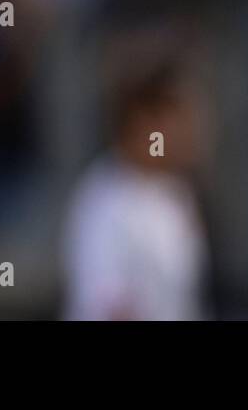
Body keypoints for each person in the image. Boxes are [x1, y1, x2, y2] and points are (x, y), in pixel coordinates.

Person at [62, 55, 208, 320]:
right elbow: (110, 309)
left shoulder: (177, 193)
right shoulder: (104, 200)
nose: (189, 129)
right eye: (177, 116)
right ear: (143, 121)